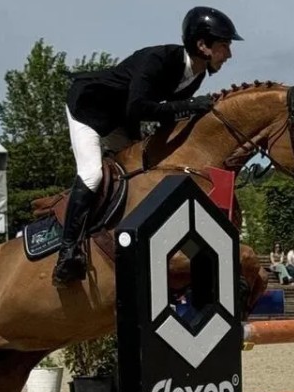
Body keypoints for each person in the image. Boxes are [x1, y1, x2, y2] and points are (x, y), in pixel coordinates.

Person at [53, 6, 243, 287]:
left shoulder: (196, 75)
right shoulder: (158, 59)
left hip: (122, 121)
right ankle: (68, 252)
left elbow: (161, 116)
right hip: (89, 111)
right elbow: (140, 107)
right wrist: (189, 106)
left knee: (147, 177)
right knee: (92, 174)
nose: (228, 54)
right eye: (224, 45)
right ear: (203, 45)